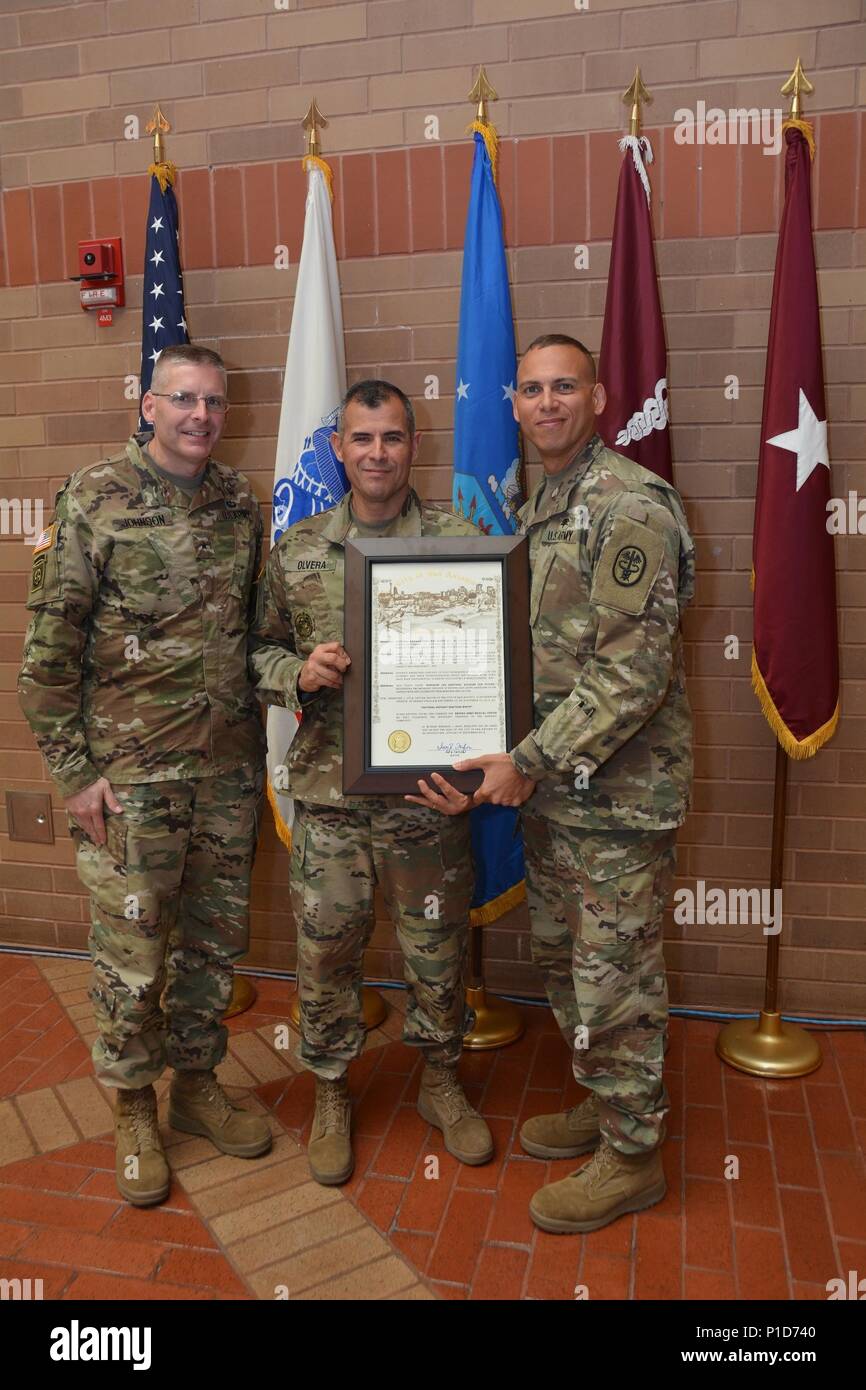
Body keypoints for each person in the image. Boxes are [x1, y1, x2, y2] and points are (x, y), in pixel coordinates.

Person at [408, 335, 694, 1233]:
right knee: (571, 969)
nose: (544, 404)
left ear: (599, 397)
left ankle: (633, 1155)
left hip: (615, 801)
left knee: (615, 981)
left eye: (563, 386)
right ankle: (604, 1105)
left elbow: (629, 677)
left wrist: (523, 762)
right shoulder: (541, 505)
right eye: (530, 389)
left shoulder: (629, 506)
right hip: (556, 797)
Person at [18, 344, 272, 1207]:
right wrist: (76, 776)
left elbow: (252, 632)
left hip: (227, 776)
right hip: (132, 784)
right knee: (133, 959)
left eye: (215, 403)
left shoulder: (240, 503)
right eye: (184, 400)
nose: (202, 416)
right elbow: (46, 658)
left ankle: (197, 1088)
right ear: (148, 405)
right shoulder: (93, 500)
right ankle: (134, 1107)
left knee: (211, 947)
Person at [249, 379, 493, 1186]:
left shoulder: (463, 543)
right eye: (362, 439)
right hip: (330, 803)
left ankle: (441, 1080)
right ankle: (329, 1087)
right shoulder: (301, 548)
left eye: (391, 438)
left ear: (412, 446)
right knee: (326, 956)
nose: (377, 454)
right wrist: (301, 672)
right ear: (337, 450)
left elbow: (493, 668)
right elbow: (257, 652)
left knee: (437, 951)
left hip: (428, 799)